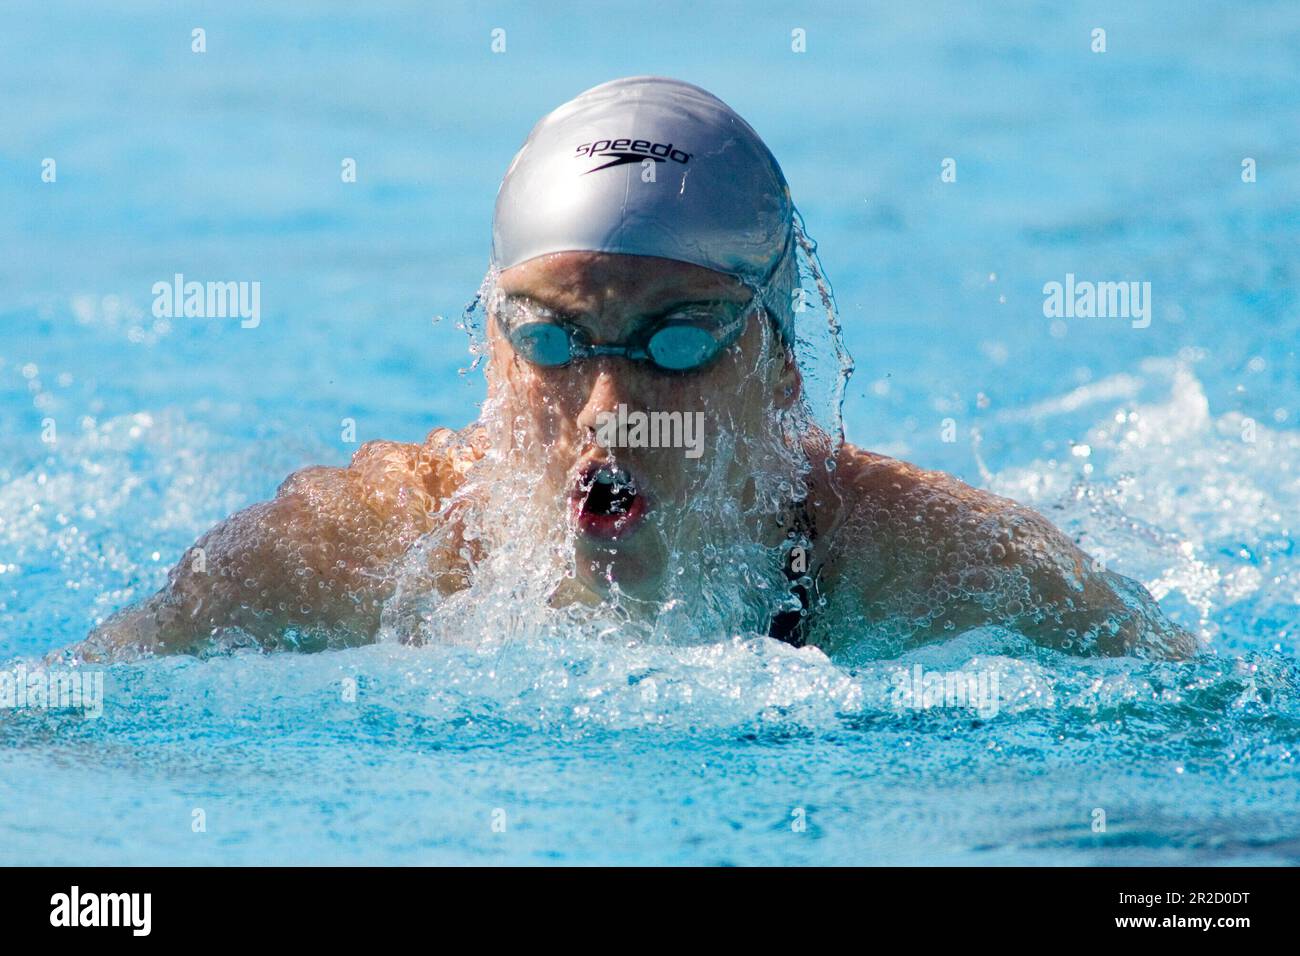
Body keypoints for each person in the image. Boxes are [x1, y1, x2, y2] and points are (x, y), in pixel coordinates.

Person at [75, 76, 1194, 662]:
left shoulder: (937, 566)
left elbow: (1217, 735)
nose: (607, 410)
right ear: (489, 351)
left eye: (678, 339)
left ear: (784, 369)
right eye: (553, 341)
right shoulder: (349, 551)